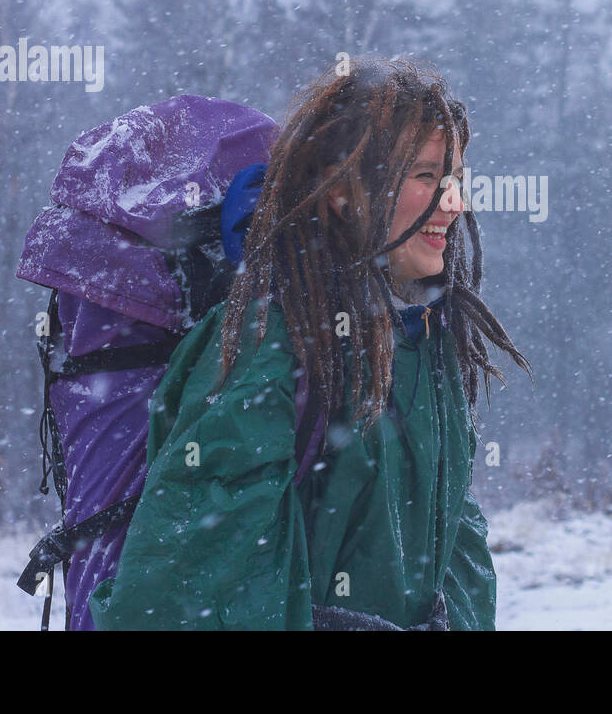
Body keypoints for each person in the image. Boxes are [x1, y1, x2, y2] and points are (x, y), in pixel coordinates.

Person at [88, 56, 531, 630]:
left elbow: (456, 550)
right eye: (426, 177)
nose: (454, 203)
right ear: (343, 191)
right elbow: (196, 582)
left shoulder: (429, 340)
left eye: (455, 180)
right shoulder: (269, 345)